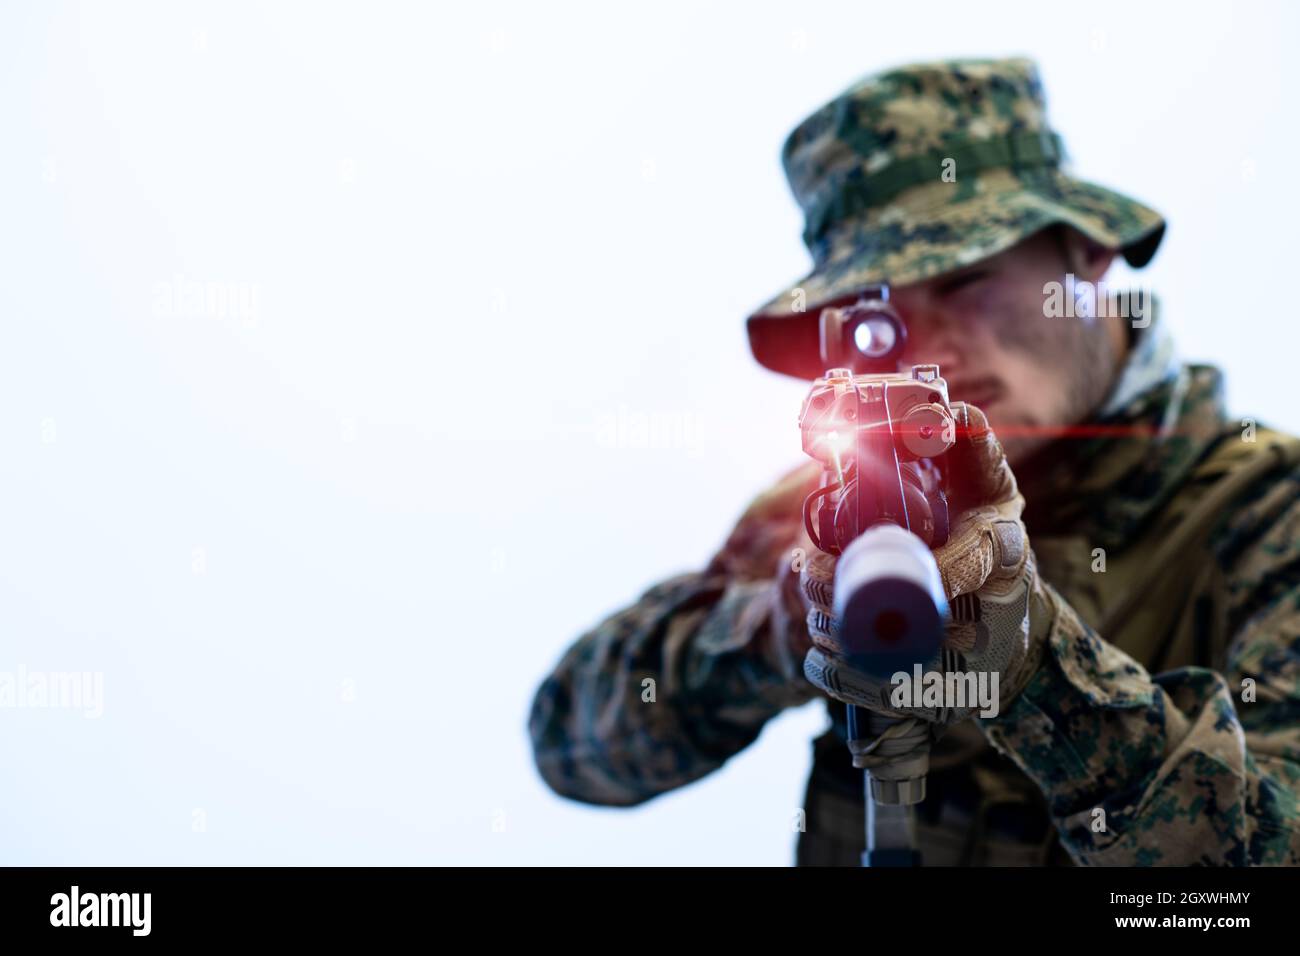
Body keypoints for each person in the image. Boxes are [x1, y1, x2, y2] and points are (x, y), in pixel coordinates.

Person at [528, 58, 1300, 865]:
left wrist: (1035, 666)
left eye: (967, 282)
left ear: (1085, 252)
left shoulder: (1269, 510)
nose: (934, 352)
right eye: (881, 320)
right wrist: (773, 633)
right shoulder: (825, 508)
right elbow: (574, 744)